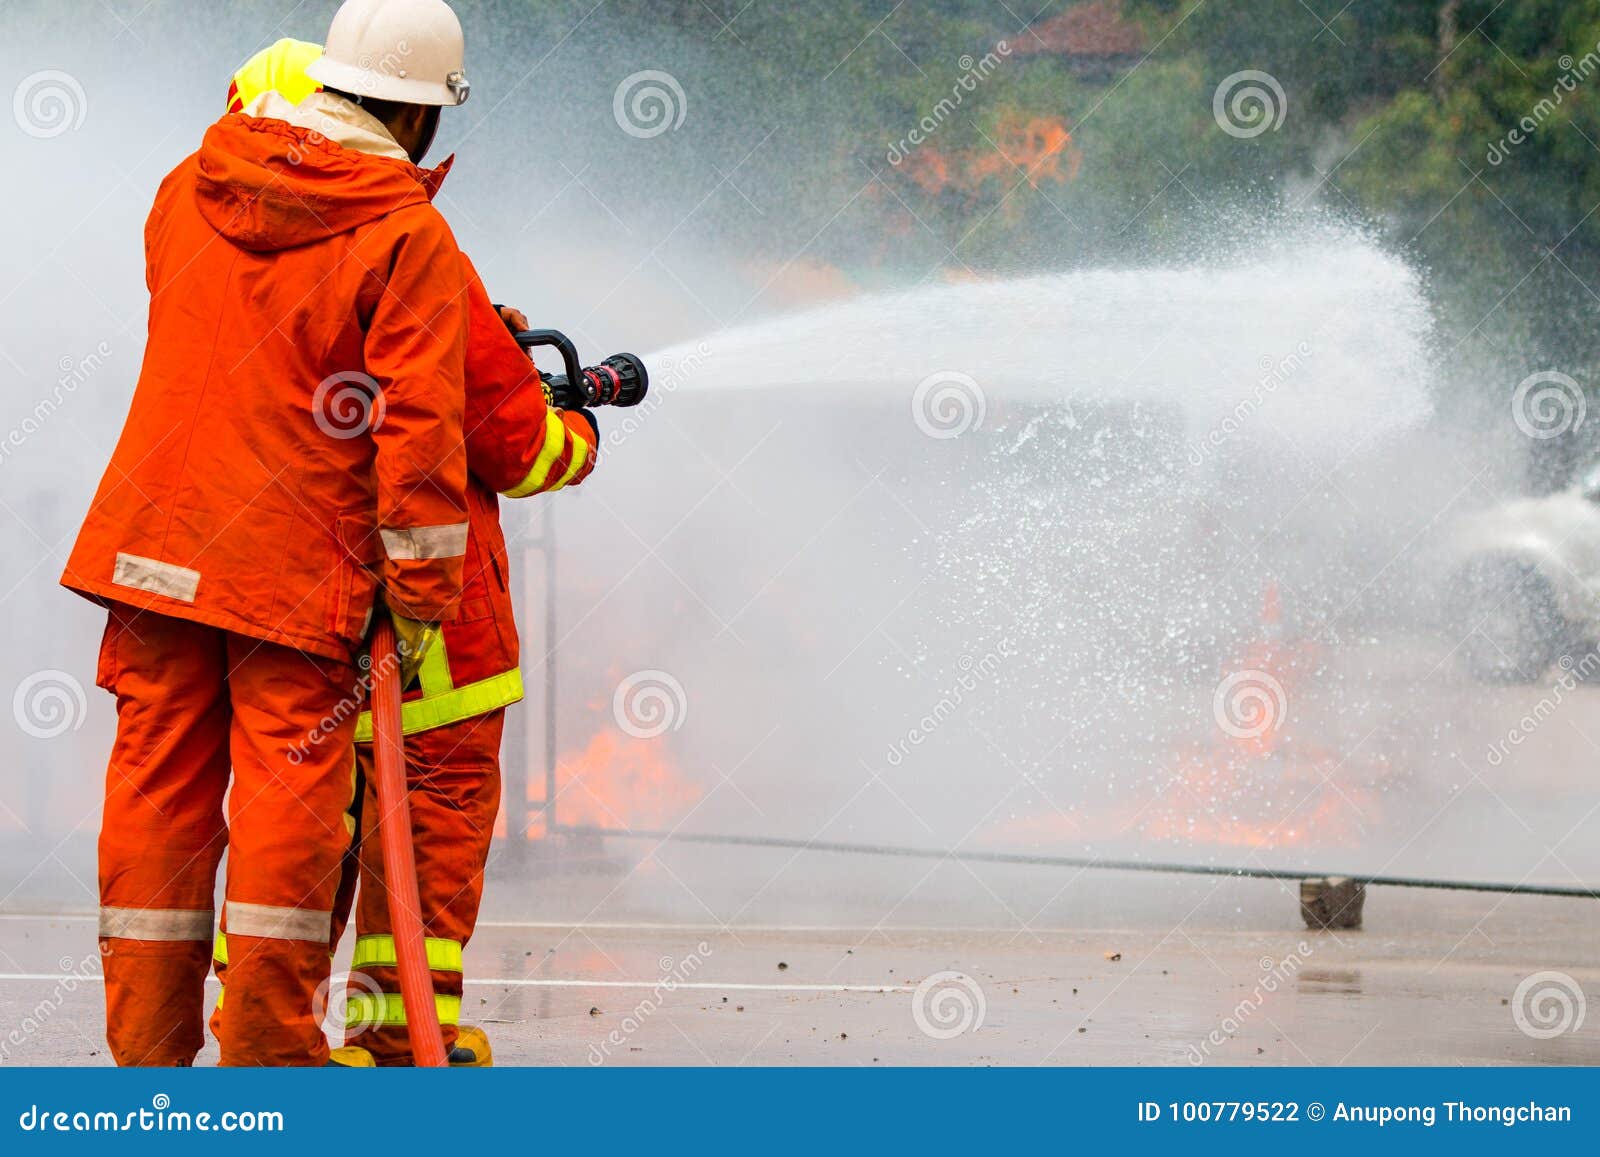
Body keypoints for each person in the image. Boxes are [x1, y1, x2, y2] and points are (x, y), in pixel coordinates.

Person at [61, 0, 477, 1066]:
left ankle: (148, 1074)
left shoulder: (187, 187)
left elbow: (217, 336)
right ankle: (268, 1078)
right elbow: (418, 439)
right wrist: (422, 604)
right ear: (422, 118)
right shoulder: (404, 233)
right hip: (296, 583)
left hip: (153, 556)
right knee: (290, 821)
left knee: (155, 798)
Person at [206, 35, 600, 1067]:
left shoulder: (228, 242)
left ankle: (261, 1040)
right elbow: (513, 441)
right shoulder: (403, 234)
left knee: (289, 828)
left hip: (285, 607)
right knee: (428, 824)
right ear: (415, 114)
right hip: (431, 633)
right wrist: (574, 426)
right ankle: (398, 1039)